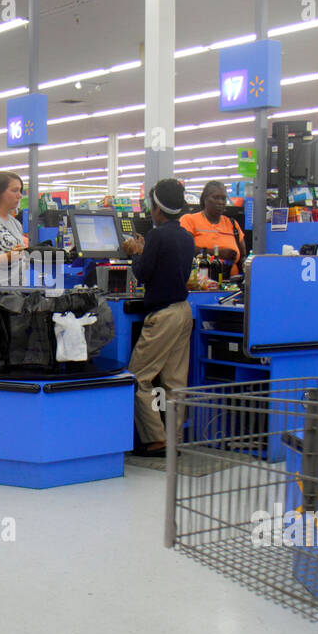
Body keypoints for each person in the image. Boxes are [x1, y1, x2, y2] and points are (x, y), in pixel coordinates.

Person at [121, 178, 196, 458]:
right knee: (175, 382)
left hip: (162, 316)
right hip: (183, 312)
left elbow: (143, 273)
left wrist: (136, 253)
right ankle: (174, 438)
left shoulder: (157, 236)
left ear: (157, 208)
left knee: (138, 377)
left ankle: (155, 439)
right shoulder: (187, 236)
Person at [180, 181, 246, 276]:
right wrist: (216, 253)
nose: (220, 202)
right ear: (204, 199)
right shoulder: (189, 220)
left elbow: (243, 256)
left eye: (223, 198)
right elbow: (185, 249)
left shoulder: (232, 224)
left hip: (231, 284)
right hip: (200, 284)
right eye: (216, 197)